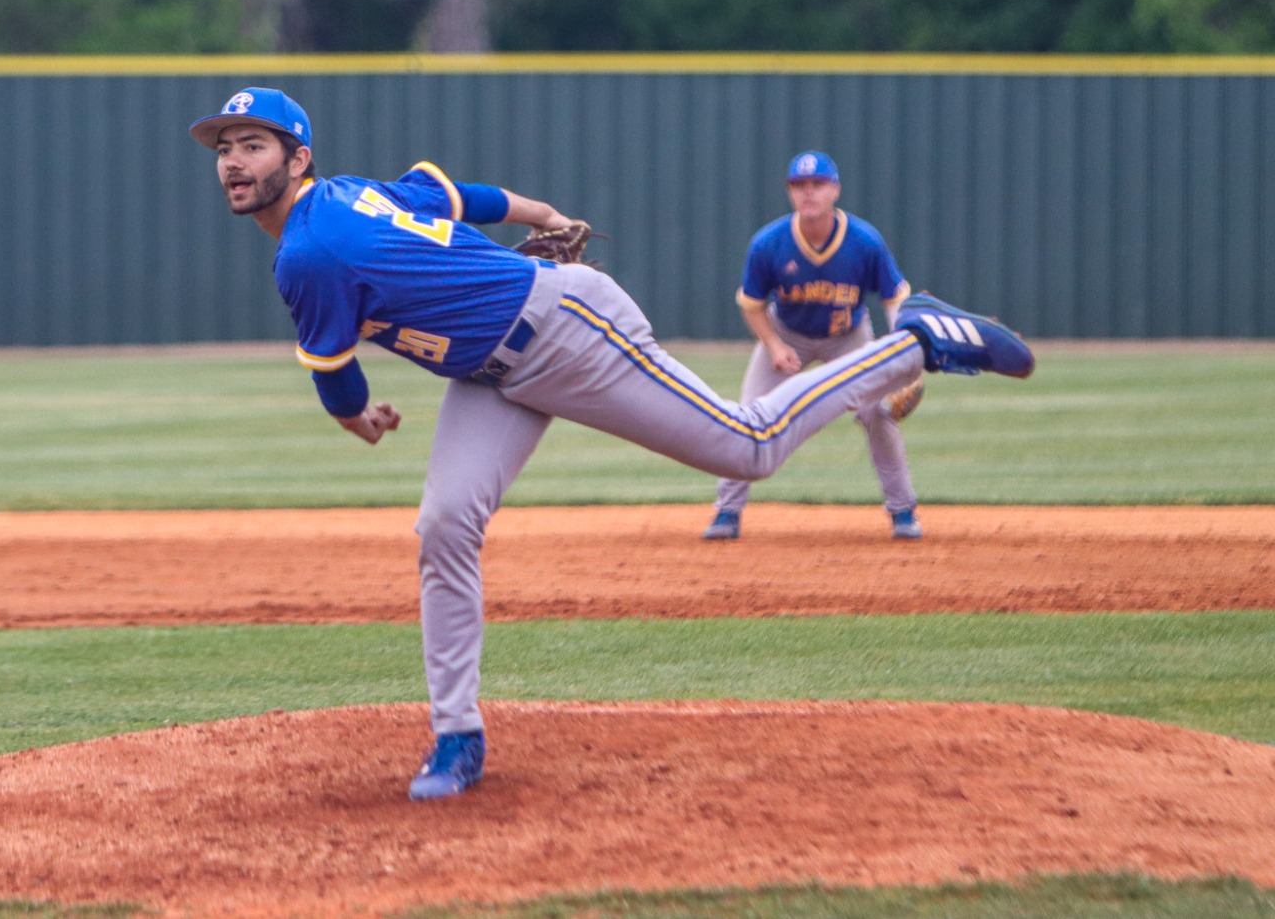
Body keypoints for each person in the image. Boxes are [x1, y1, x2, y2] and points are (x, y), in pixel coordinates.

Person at [188, 87, 1034, 803]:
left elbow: (335, 379)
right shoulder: (354, 195)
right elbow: (460, 196)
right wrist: (545, 211)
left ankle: (915, 342)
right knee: (445, 523)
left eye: (254, 144)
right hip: (492, 374)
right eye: (225, 146)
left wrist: (360, 417)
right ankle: (457, 736)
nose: (234, 159)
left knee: (750, 445)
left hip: (566, 330)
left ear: (298, 158)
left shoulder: (307, 252)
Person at [704, 150, 927, 542]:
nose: (808, 193)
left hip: (850, 338)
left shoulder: (863, 241)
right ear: (790, 192)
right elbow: (752, 306)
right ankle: (727, 512)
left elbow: (895, 298)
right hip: (787, 334)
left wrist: (902, 351)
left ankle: (903, 509)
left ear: (834, 190)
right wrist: (773, 346)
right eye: (799, 185)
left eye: (817, 185)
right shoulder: (769, 243)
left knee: (877, 412)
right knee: (747, 416)